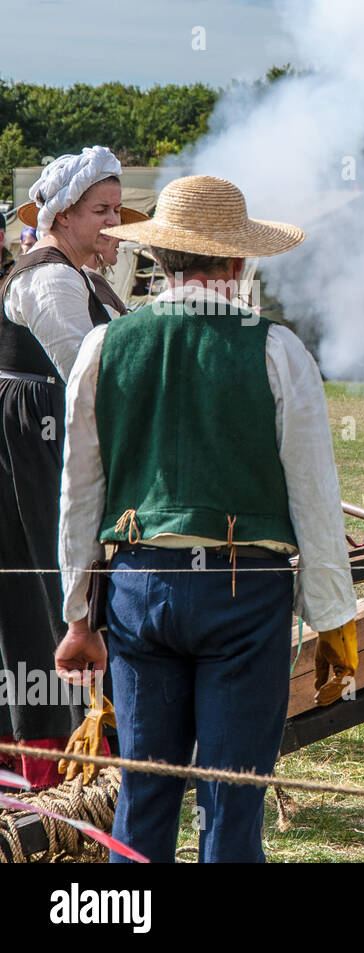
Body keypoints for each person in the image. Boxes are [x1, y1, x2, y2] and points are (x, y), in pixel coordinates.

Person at [53, 174, 358, 863]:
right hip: (244, 595)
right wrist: (334, 619)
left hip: (138, 590)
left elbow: (81, 493)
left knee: (145, 792)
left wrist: (77, 615)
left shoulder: (104, 348)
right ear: (240, 261)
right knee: (230, 799)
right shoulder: (279, 350)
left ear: (161, 259)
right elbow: (314, 496)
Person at [0, 146, 128, 789]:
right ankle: (55, 760)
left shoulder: (83, 273)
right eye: (101, 211)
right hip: (35, 444)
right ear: (63, 213)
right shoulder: (48, 277)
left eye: (116, 209)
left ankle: (95, 743)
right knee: (49, 591)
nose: (114, 222)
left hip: (55, 434)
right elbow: (87, 375)